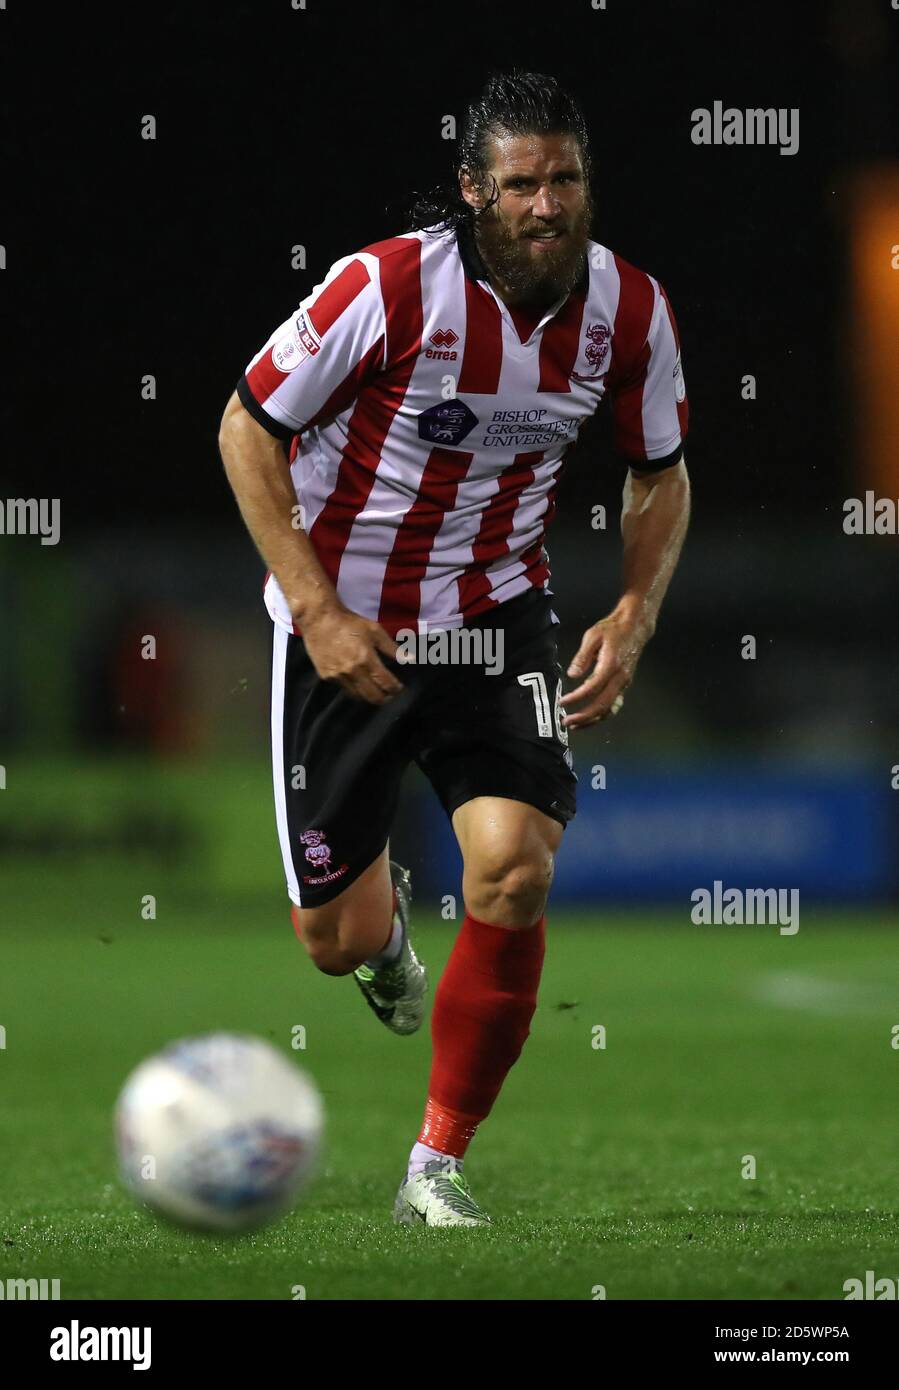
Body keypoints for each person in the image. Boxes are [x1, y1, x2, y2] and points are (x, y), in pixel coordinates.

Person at [218, 69, 691, 1226]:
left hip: (495, 617)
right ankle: (384, 953)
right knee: (333, 941)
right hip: (348, 632)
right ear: (473, 189)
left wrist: (630, 613)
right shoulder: (383, 288)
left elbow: (659, 472)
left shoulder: (628, 312)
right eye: (521, 182)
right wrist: (318, 611)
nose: (547, 204)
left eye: (565, 178)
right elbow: (245, 428)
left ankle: (434, 1164)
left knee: (515, 868)